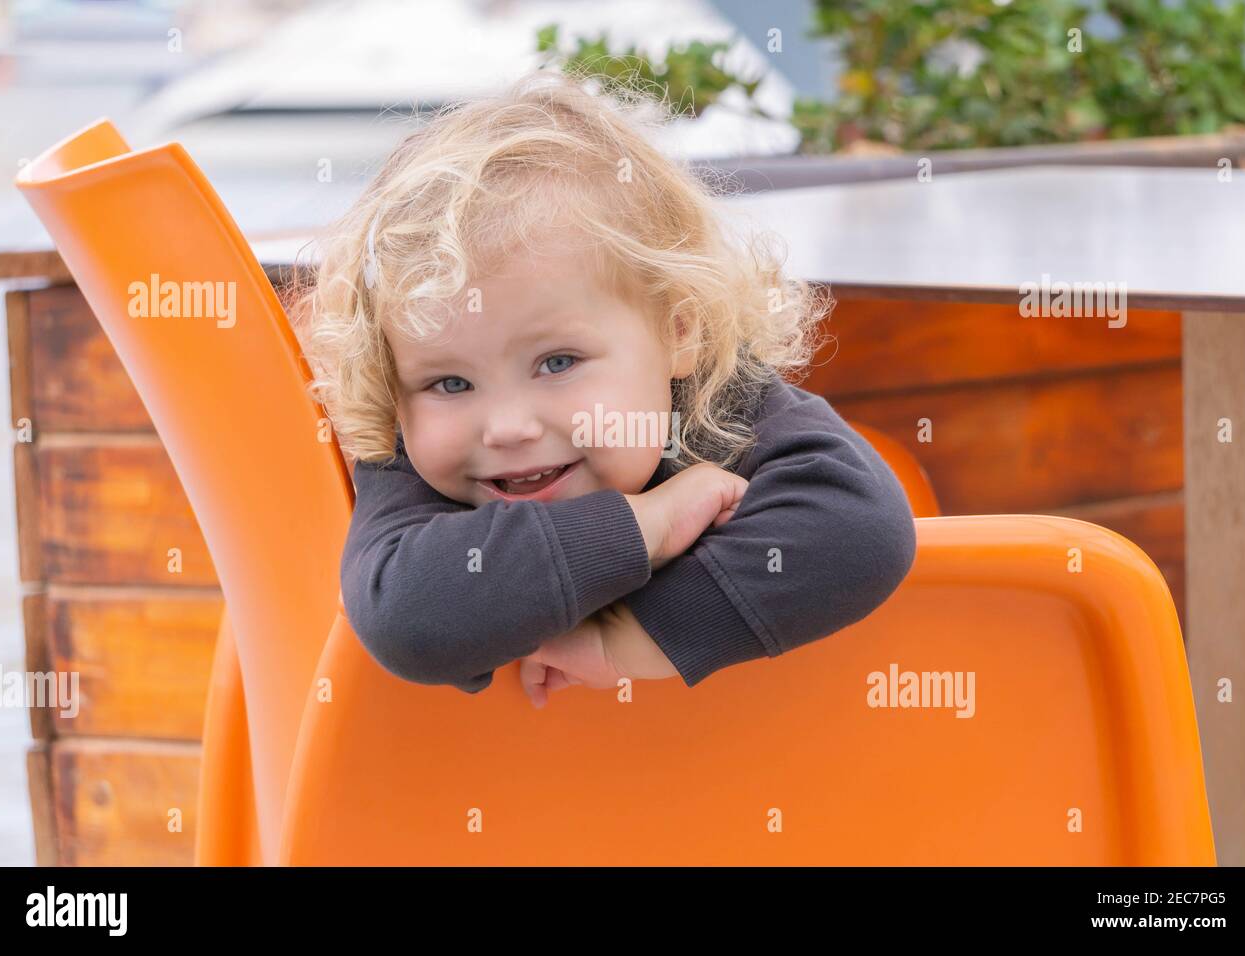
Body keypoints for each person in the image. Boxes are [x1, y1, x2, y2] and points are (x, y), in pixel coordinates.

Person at [294, 68, 917, 708]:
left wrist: (623, 642)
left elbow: (862, 531)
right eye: (451, 382)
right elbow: (407, 618)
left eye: (558, 363)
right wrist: (645, 524)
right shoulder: (408, 453)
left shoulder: (714, 406)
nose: (507, 426)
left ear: (679, 331)